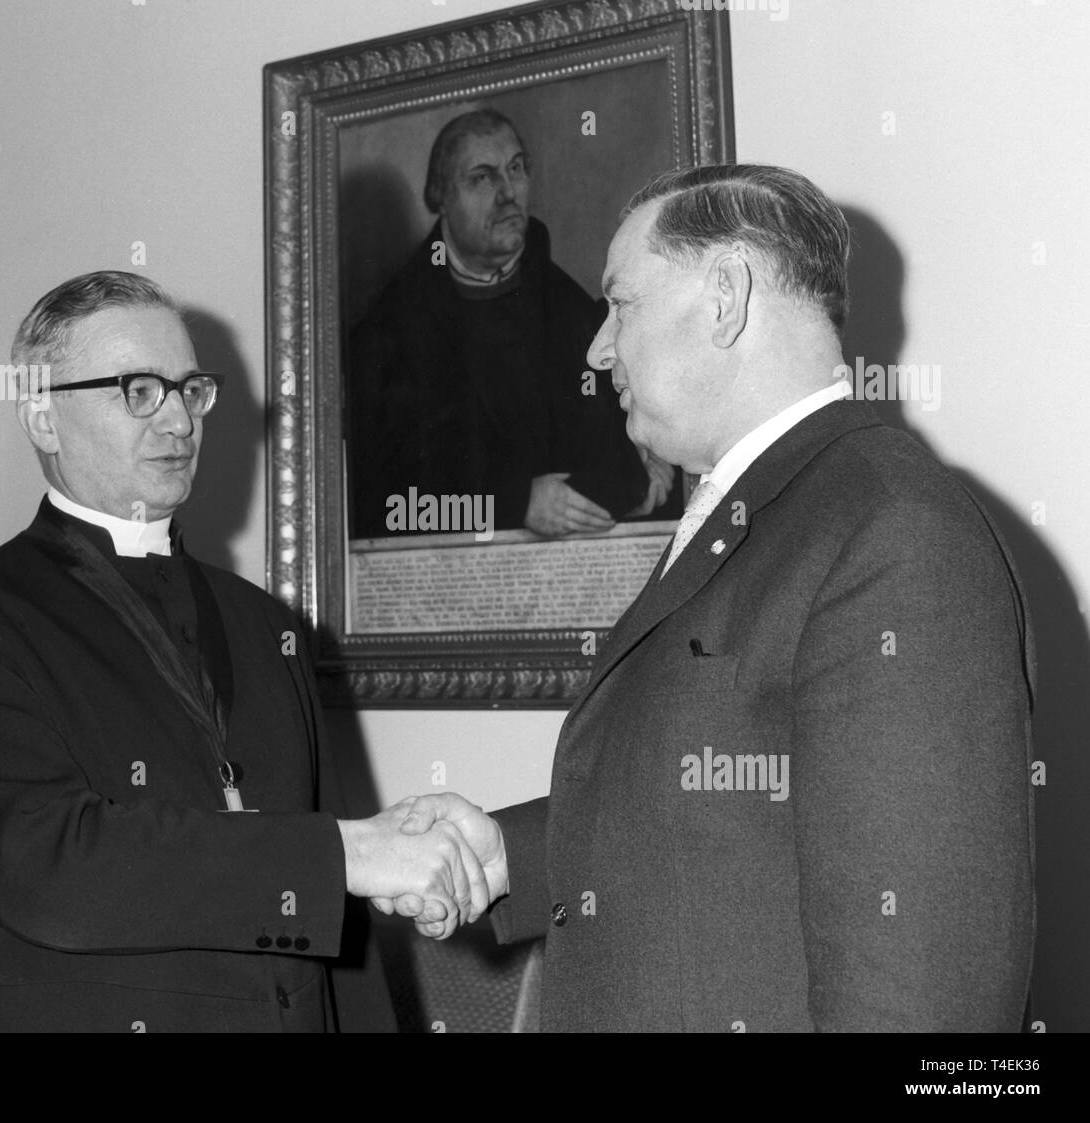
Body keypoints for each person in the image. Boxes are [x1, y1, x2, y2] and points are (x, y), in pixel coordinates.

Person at [382, 165, 1038, 1032]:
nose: (597, 347)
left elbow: (924, 991)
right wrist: (506, 853)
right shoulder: (769, 500)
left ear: (726, 294)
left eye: (623, 304)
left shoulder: (896, 528)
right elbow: (730, 796)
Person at [0, 271, 491, 1032]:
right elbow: (51, 867)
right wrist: (345, 853)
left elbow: (341, 944)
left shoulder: (270, 627)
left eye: (189, 388)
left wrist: (357, 864)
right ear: (42, 416)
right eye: (138, 390)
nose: (178, 422)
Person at [347, 108, 675, 539]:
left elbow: (624, 460)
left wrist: (651, 459)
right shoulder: (387, 333)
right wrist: (513, 503)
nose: (507, 193)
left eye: (515, 169)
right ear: (440, 195)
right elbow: (378, 505)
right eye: (482, 177)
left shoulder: (575, 311)